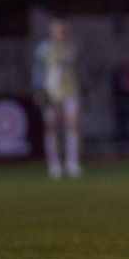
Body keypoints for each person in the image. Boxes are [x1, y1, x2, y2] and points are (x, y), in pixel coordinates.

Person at [32, 15, 83, 179]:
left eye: (62, 29)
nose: (59, 32)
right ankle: (54, 165)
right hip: (51, 92)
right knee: (51, 127)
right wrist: (39, 90)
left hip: (70, 91)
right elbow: (38, 71)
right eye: (56, 29)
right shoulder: (43, 49)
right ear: (51, 30)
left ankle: (72, 163)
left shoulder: (72, 47)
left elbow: (78, 70)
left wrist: (83, 88)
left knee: (72, 125)